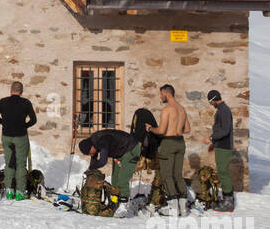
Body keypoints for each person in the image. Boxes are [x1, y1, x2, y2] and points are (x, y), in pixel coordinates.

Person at [77, 126, 142, 214]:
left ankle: (124, 204)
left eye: (90, 152)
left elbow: (103, 161)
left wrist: (91, 168)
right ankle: (115, 202)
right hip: (119, 153)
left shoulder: (101, 140)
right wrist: (90, 169)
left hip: (130, 149)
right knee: (114, 180)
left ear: (91, 146)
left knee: (122, 179)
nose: (91, 154)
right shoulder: (93, 143)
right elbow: (94, 159)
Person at [0, 81, 37, 200]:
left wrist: (5, 123)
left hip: (6, 135)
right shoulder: (26, 102)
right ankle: (20, 192)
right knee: (21, 164)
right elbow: (34, 120)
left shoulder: (3, 101)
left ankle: (9, 191)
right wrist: (24, 125)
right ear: (21, 92)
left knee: (9, 162)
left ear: (10, 90)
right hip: (21, 136)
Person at [151, 84, 191, 215]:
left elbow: (161, 130)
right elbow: (187, 129)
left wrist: (150, 128)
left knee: (167, 175)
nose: (160, 96)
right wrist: (176, 127)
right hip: (180, 143)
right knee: (178, 174)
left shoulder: (167, 110)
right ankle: (183, 208)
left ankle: (173, 207)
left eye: (161, 94)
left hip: (168, 143)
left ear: (167, 93)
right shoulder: (182, 109)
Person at [203, 90, 235, 210]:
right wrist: (214, 142)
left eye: (211, 101)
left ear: (215, 99)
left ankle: (229, 202)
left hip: (224, 146)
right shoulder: (221, 110)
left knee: (223, 172)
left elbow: (225, 130)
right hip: (220, 145)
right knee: (222, 172)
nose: (211, 104)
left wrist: (211, 138)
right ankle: (227, 198)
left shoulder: (224, 110)